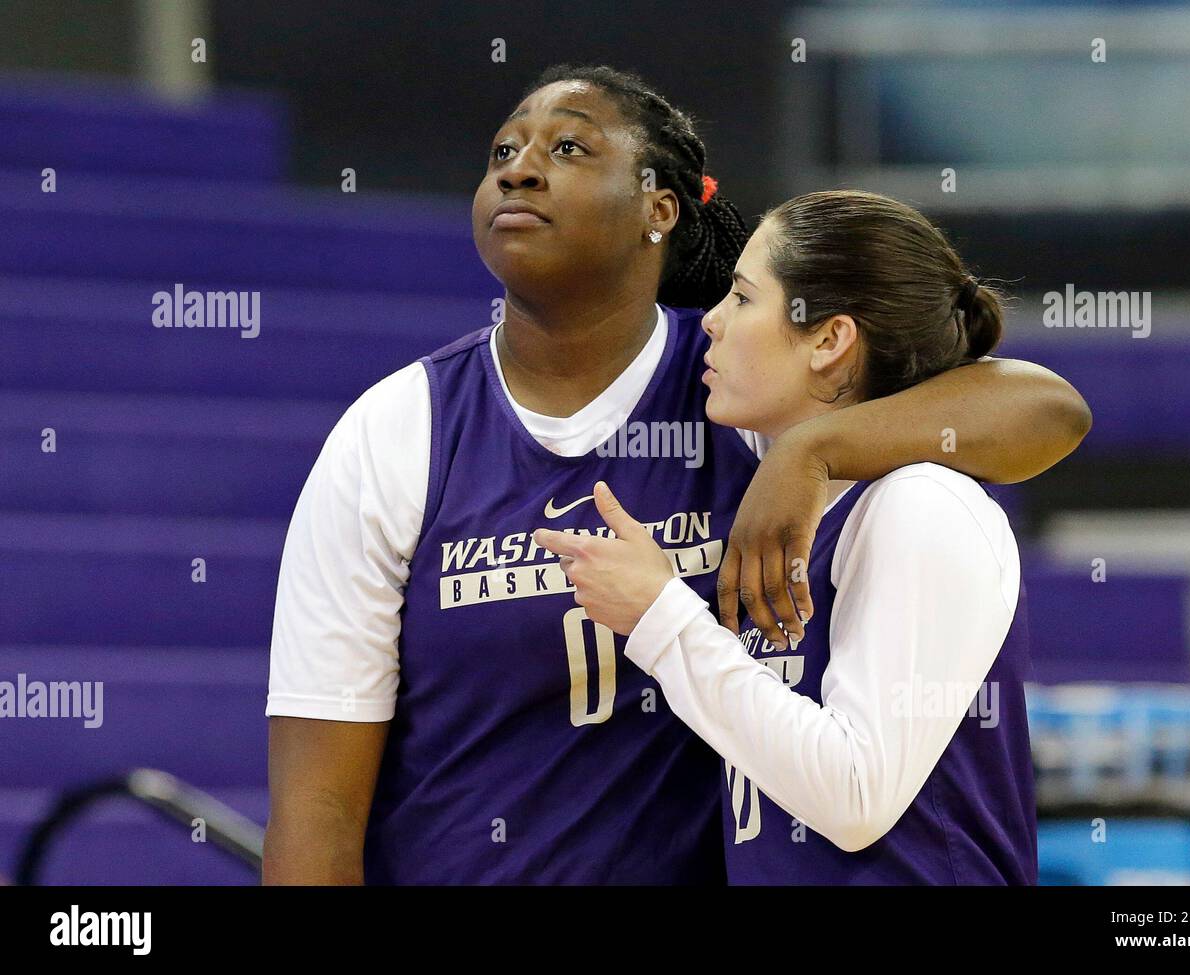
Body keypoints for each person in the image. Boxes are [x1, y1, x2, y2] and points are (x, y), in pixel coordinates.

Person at [263, 66, 1088, 884]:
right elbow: (316, 812)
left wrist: (813, 451)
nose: (518, 166)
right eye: (503, 149)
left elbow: (1045, 408)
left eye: (570, 147)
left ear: (660, 207)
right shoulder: (396, 429)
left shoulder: (745, 393)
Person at [536, 190, 1043, 883]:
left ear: (830, 340)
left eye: (743, 298)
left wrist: (661, 617)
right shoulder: (808, 498)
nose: (711, 322)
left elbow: (856, 792)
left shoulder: (919, 503)